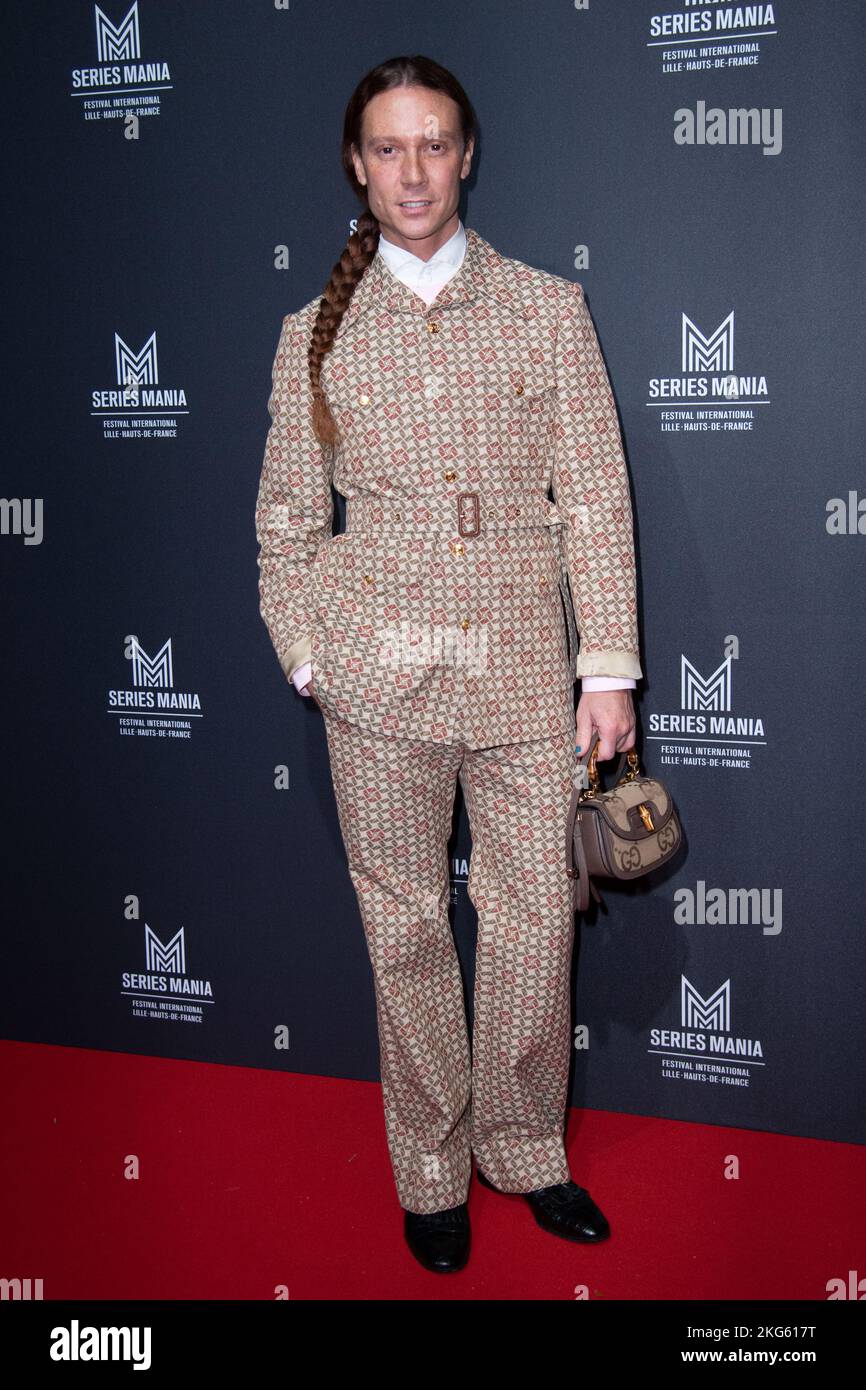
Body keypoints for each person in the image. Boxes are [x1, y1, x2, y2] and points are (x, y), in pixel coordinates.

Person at [255, 55, 642, 1274]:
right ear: (355, 166)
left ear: (466, 155)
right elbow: (283, 522)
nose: (411, 171)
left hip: (527, 669)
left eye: (433, 144)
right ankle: (428, 1168)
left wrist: (609, 667)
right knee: (407, 928)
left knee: (533, 924)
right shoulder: (310, 333)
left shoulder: (544, 306)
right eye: (387, 148)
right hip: (378, 678)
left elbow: (593, 499)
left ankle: (525, 1148)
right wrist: (312, 652)